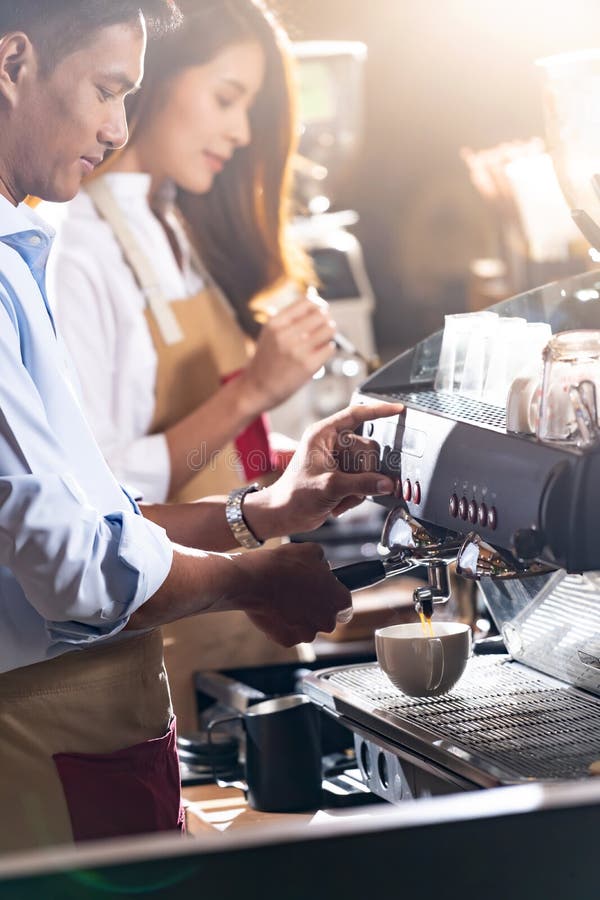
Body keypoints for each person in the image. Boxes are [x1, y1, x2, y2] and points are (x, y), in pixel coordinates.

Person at [0, 0, 399, 852]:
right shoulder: (55, 248)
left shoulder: (36, 248)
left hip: (109, 711)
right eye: (109, 91)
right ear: (13, 66)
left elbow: (93, 506)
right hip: (49, 727)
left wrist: (261, 511)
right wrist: (251, 572)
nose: (115, 126)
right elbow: (79, 565)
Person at [47, 0, 341, 730]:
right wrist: (253, 391)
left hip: (242, 611)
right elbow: (107, 493)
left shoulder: (173, 221)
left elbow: (202, 449)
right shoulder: (77, 248)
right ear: (156, 77)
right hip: (171, 629)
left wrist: (281, 461)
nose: (240, 132)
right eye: (226, 98)